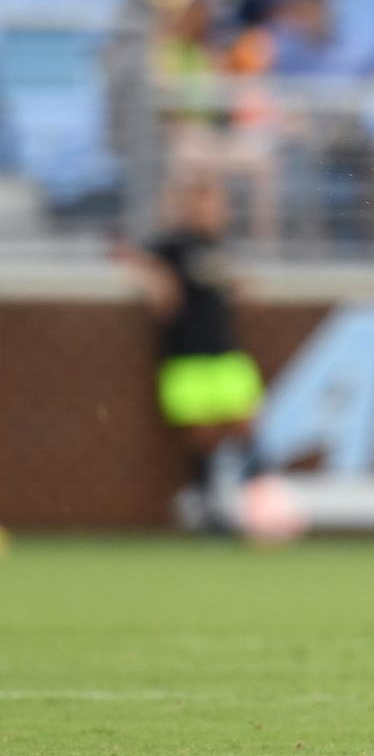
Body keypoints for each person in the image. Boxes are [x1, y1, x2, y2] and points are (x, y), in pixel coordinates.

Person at [117, 166, 296, 539]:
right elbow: (124, 253)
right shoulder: (173, 245)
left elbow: (229, 284)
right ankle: (206, 506)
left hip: (225, 353)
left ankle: (259, 503)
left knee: (246, 425)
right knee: (202, 434)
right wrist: (154, 278)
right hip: (186, 356)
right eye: (200, 201)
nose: (208, 209)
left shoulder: (222, 247)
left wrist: (241, 288)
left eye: (214, 201)